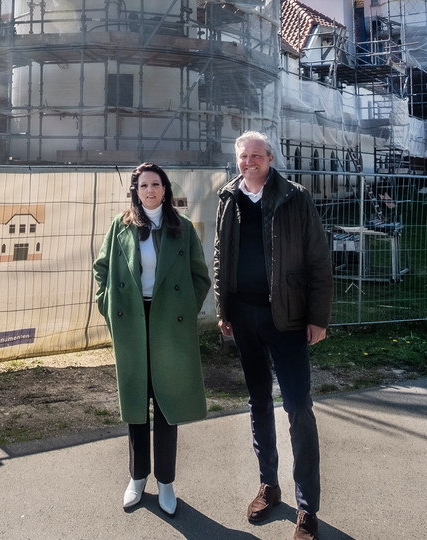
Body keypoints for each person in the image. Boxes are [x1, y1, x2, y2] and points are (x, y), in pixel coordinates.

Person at [214, 131, 333, 540]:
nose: (249, 162)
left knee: (298, 406)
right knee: (259, 403)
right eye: (243, 156)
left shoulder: (294, 197)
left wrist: (318, 316)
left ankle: (307, 507)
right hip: (244, 317)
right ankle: (269, 485)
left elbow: (318, 257)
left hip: (288, 319)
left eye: (256, 156)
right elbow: (219, 253)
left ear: (270, 158)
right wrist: (223, 309)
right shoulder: (228, 198)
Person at [94, 163, 211, 517]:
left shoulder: (183, 228)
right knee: (135, 402)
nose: (150, 190)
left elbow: (199, 276)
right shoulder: (121, 226)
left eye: (156, 184)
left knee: (166, 403)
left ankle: (166, 481)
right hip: (132, 321)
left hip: (168, 324)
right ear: (135, 190)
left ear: (165, 189)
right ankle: (137, 477)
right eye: (143, 185)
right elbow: (102, 269)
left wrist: (184, 309)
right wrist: (108, 305)